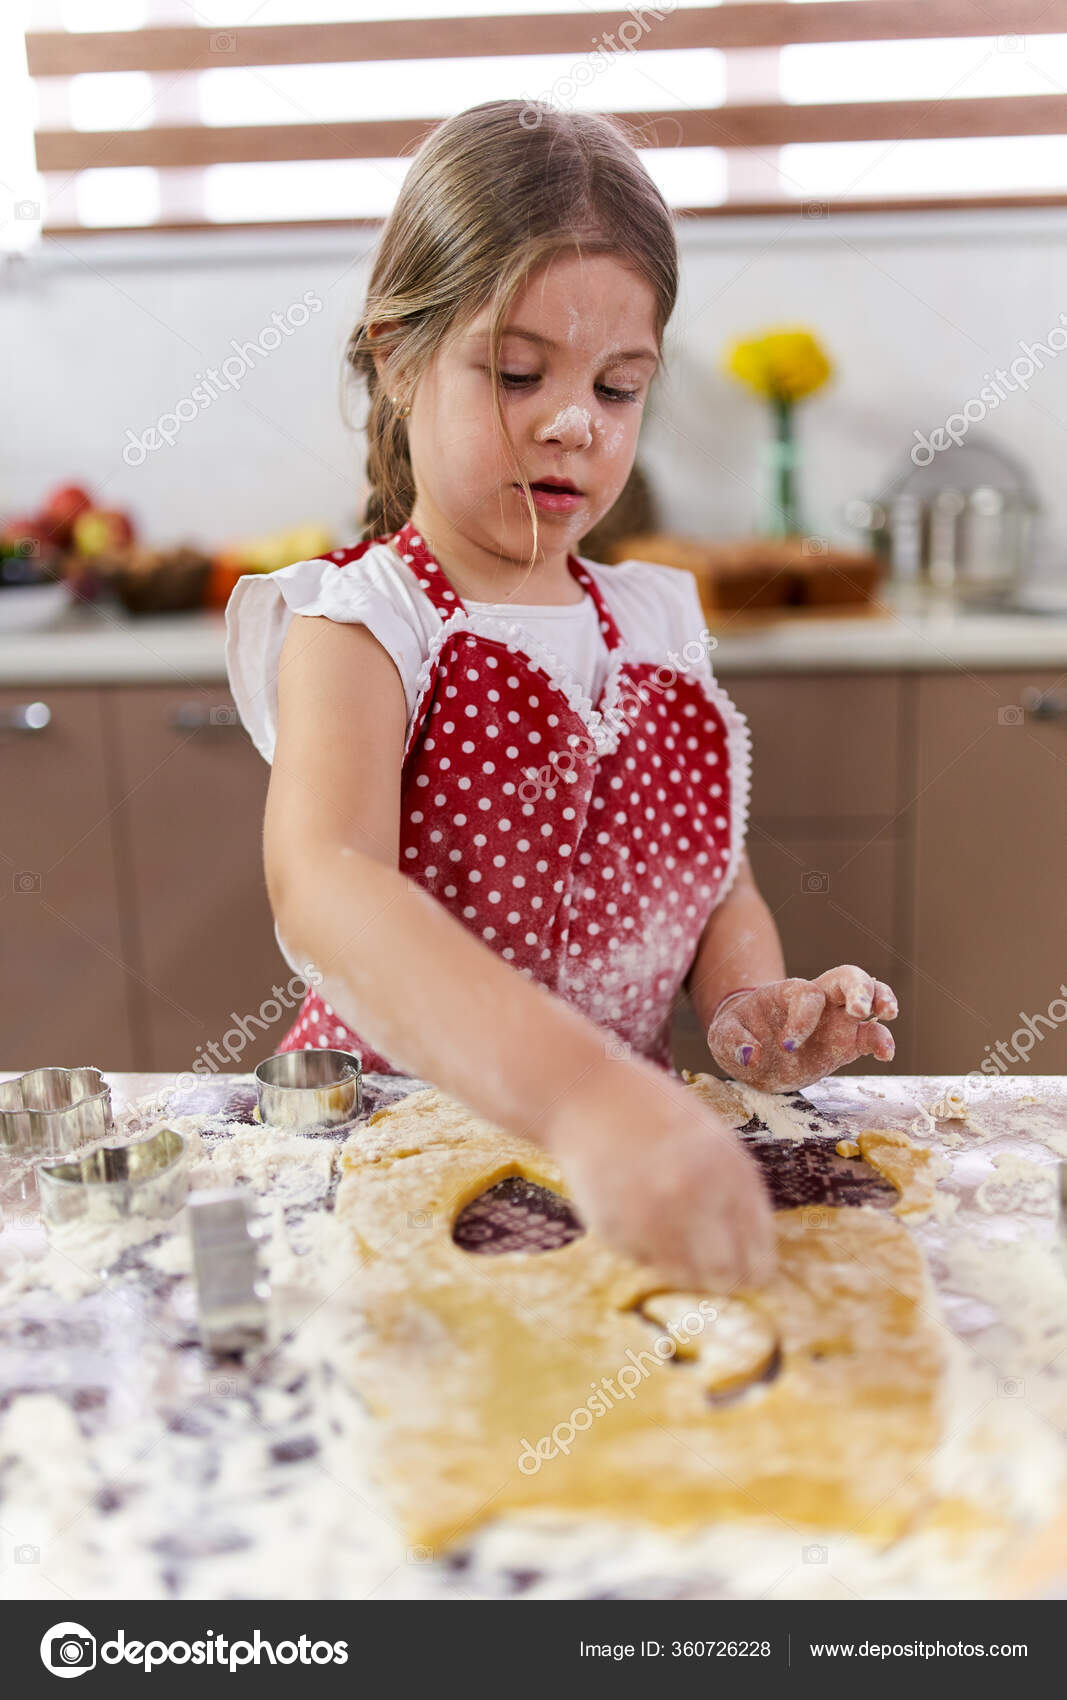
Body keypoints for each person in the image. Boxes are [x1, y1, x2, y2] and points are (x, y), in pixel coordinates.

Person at [226, 99, 896, 1290]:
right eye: (517, 371)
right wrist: (582, 1092)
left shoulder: (651, 620)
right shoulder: (365, 622)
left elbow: (709, 879)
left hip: (607, 1180)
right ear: (395, 356)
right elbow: (325, 883)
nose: (574, 422)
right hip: (389, 1158)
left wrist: (749, 1005)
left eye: (618, 385)